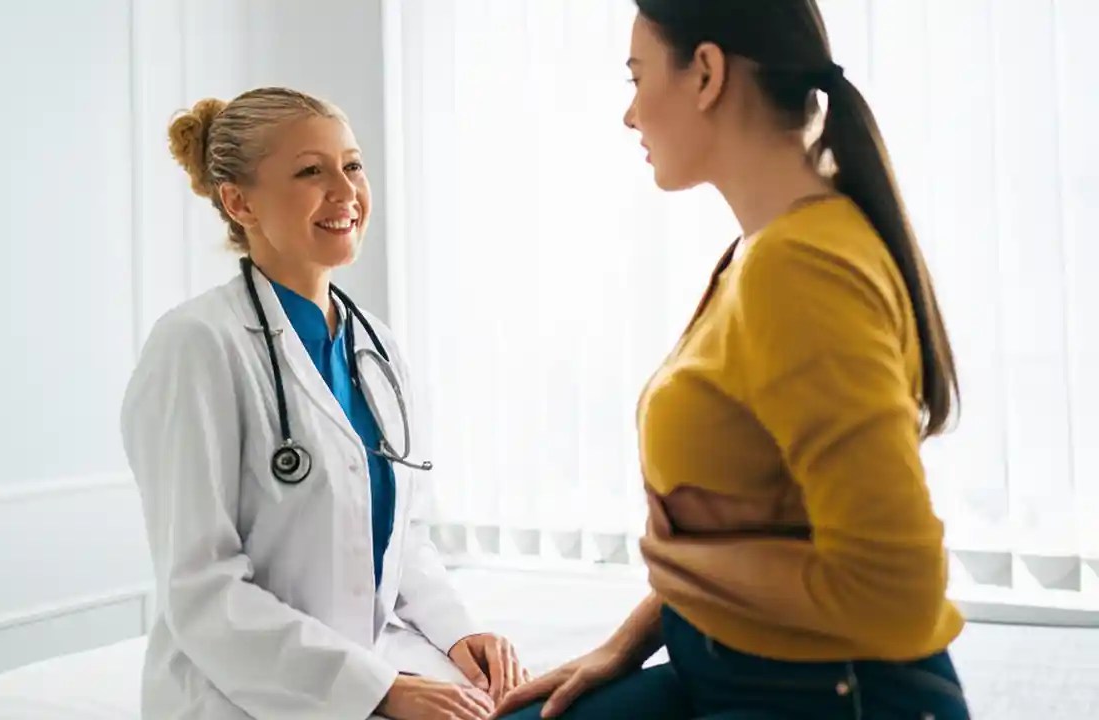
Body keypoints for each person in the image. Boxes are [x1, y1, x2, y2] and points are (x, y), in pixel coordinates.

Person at [496, 1, 970, 718]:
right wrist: (626, 642)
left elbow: (896, 595)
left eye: (637, 76)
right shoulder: (764, 253)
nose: (630, 114)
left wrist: (677, 562)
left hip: (822, 695)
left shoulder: (803, 270)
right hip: (720, 668)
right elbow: (758, 517)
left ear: (707, 73)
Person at [121, 87, 527, 720]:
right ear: (239, 201)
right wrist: (374, 690)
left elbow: (401, 538)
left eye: (353, 165)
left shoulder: (376, 346)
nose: (345, 191)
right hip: (238, 695)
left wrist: (455, 632)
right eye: (312, 171)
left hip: (364, 669)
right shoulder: (196, 345)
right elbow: (201, 590)